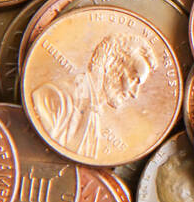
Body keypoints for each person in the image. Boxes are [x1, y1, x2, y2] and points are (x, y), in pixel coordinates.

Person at [30, 34, 158, 160]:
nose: (134, 94)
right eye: (133, 79)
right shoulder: (54, 96)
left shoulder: (95, 119)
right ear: (112, 64)